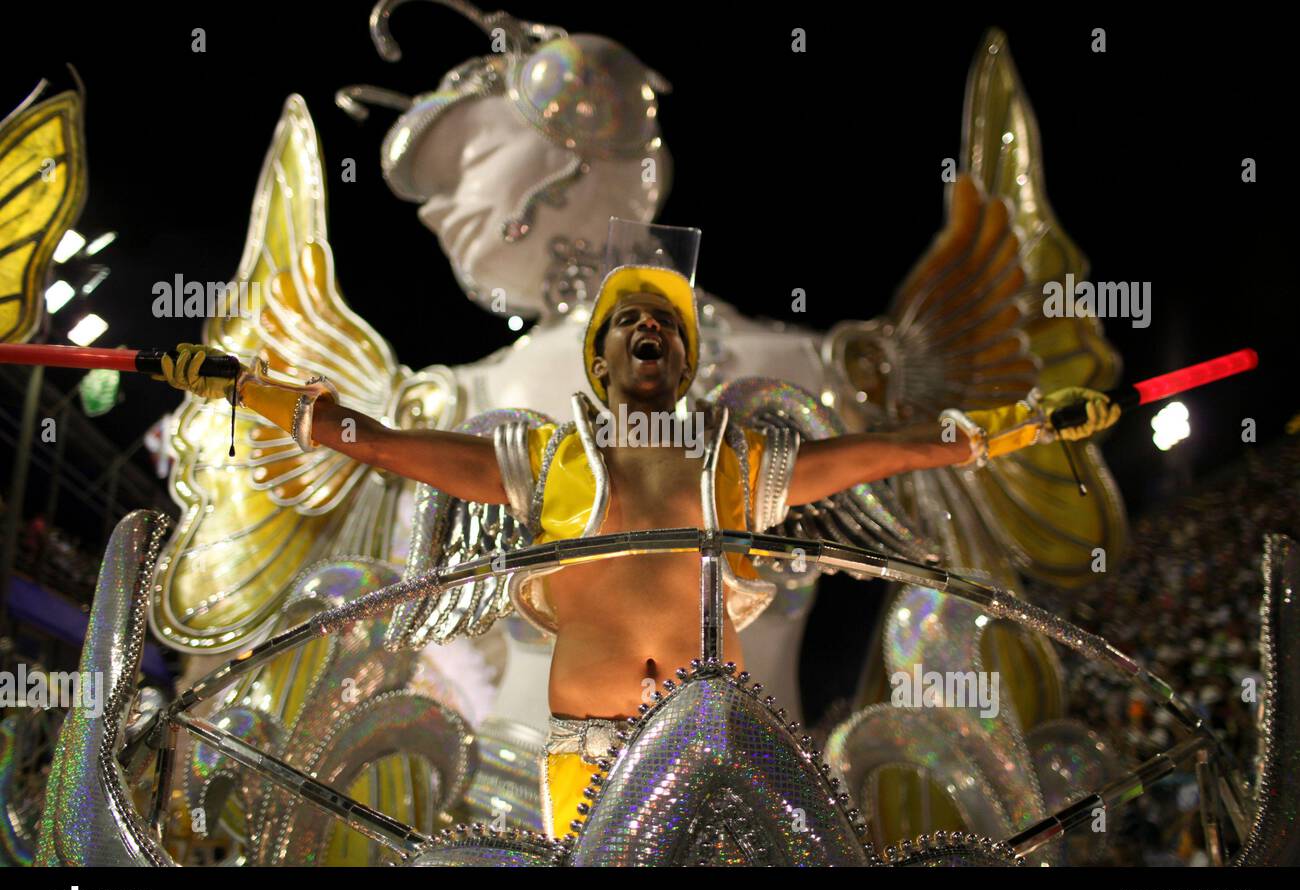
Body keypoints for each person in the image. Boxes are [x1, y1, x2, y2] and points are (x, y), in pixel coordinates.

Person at [155, 224, 1120, 838]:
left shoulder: (735, 465)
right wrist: (255, 391)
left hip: (720, 740)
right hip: (583, 755)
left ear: (685, 362)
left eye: (665, 320)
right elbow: (383, 444)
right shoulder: (542, 462)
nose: (648, 329)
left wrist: (1018, 427)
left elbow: (884, 453)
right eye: (630, 322)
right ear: (604, 357)